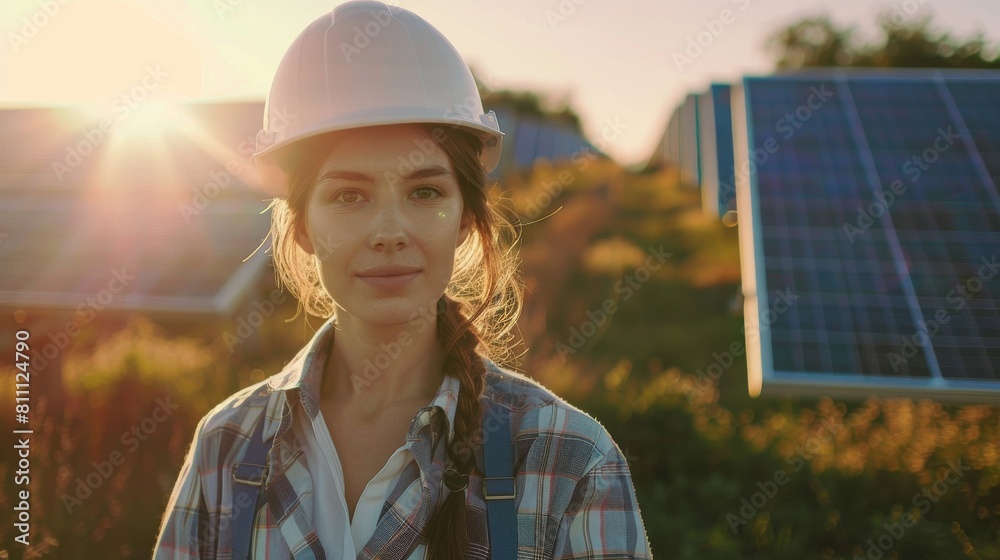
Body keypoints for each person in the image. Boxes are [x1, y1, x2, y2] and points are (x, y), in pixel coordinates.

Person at [153, 2, 653, 558]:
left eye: (424, 192)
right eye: (348, 196)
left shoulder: (571, 463)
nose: (388, 232)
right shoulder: (226, 448)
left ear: (466, 216)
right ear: (300, 228)